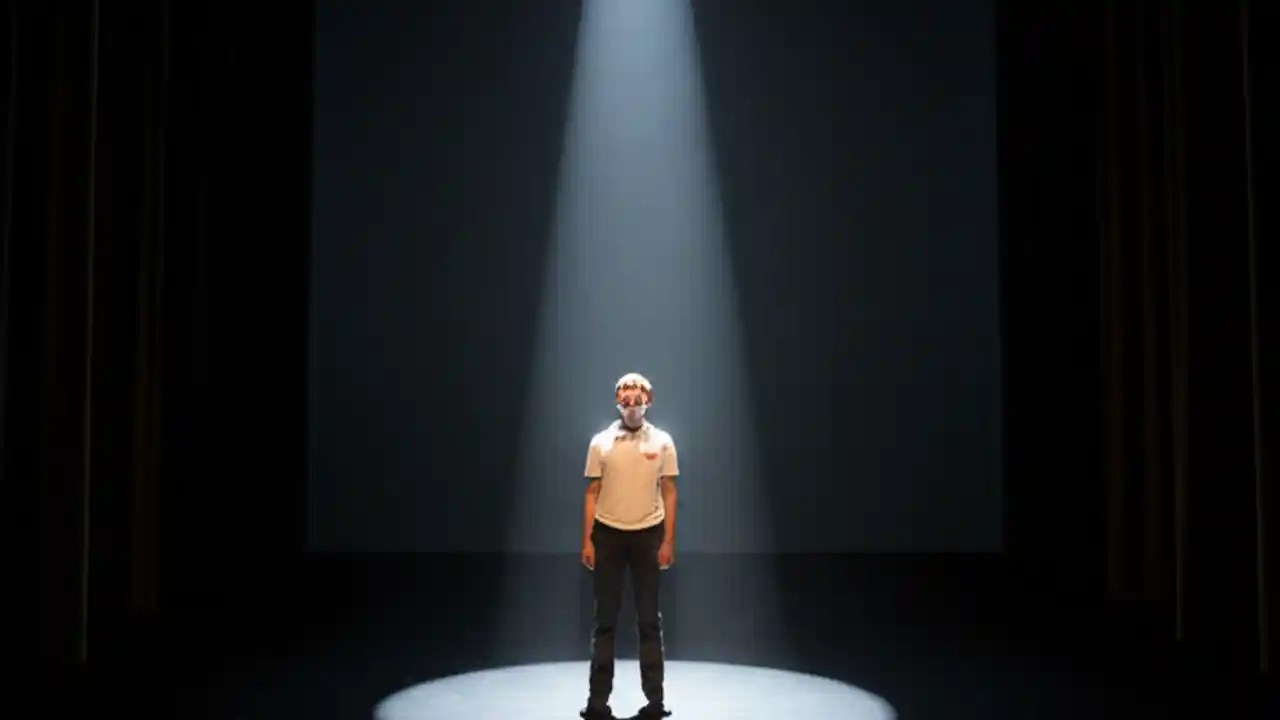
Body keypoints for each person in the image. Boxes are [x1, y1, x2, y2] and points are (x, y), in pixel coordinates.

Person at [580, 372, 679, 720]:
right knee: (604, 620)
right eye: (626, 397)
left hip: (648, 535)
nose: (632, 404)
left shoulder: (663, 442)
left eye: (638, 397)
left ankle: (655, 700)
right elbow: (592, 492)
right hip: (608, 535)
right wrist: (587, 541)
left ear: (648, 401)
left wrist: (668, 539)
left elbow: (669, 491)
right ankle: (597, 701)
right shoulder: (601, 443)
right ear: (617, 402)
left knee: (649, 619)